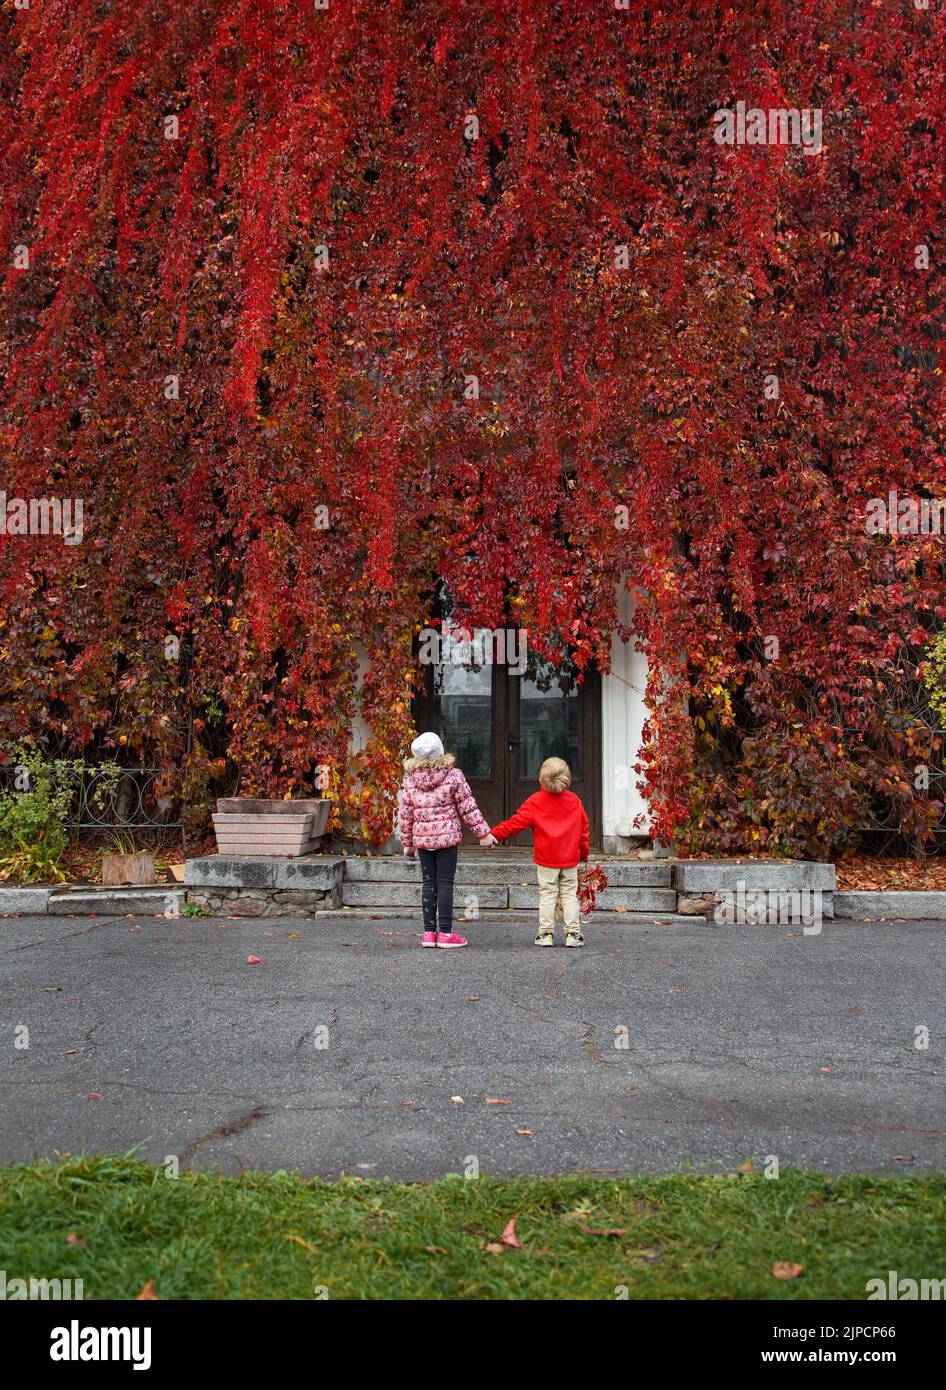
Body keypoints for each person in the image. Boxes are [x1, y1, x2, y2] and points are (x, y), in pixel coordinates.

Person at [483, 756, 589, 947]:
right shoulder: (574, 801)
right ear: (567, 778)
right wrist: (584, 853)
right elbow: (584, 830)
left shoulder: (535, 802)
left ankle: (545, 934)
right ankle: (574, 934)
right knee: (569, 894)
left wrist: (495, 835)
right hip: (570, 858)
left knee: (548, 895)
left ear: (542, 778)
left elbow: (515, 824)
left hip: (546, 859)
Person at [398, 731, 492, 948]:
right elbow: (467, 807)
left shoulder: (411, 780)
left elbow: (406, 814)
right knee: (445, 884)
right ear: (440, 751)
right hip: (447, 840)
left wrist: (407, 844)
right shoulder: (453, 775)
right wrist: (483, 834)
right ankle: (447, 934)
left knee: (428, 883)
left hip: (422, 841)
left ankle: (429, 933)